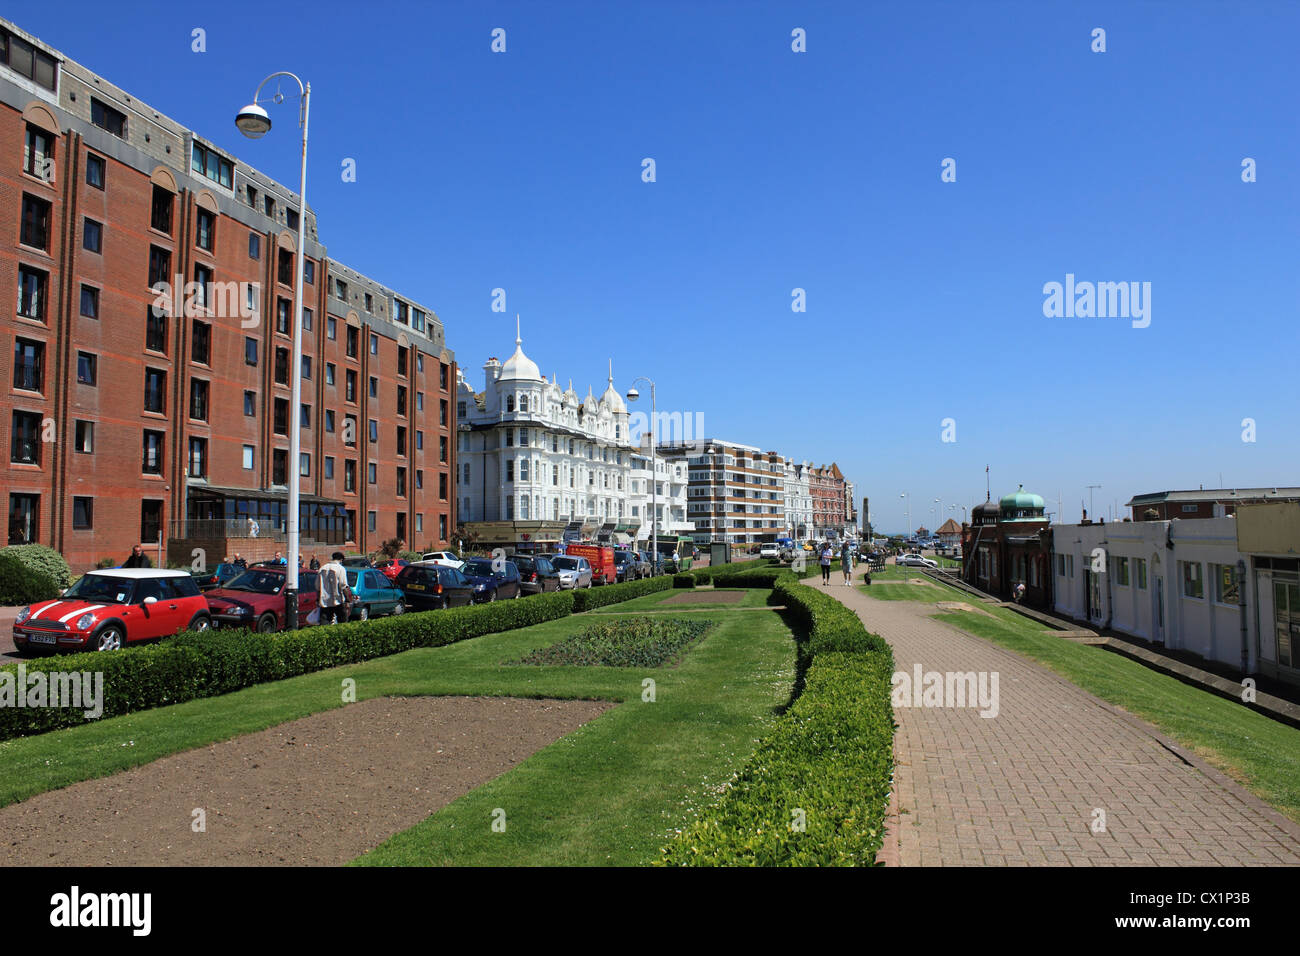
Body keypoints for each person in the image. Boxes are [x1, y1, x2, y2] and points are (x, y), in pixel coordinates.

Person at [318, 551, 353, 625]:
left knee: (324, 623)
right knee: (343, 621)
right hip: (338, 600)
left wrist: (318, 599)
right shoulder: (341, 569)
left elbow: (318, 587)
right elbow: (343, 586)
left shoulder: (322, 568)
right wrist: (347, 600)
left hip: (324, 601)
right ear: (341, 560)